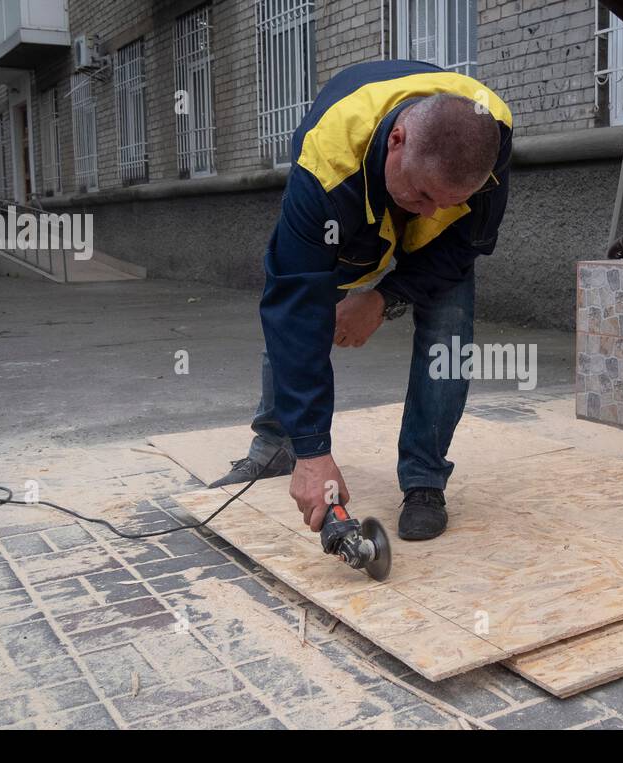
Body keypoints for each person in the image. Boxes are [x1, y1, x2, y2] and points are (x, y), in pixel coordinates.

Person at [209, 60, 511, 543]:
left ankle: (424, 481)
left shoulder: (489, 140)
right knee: (304, 318)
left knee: (449, 334)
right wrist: (315, 452)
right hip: (351, 219)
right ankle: (279, 443)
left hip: (434, 243)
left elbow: (465, 246)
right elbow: (296, 302)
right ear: (397, 142)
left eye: (447, 202)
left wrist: (384, 299)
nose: (432, 211)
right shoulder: (325, 165)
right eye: (423, 194)